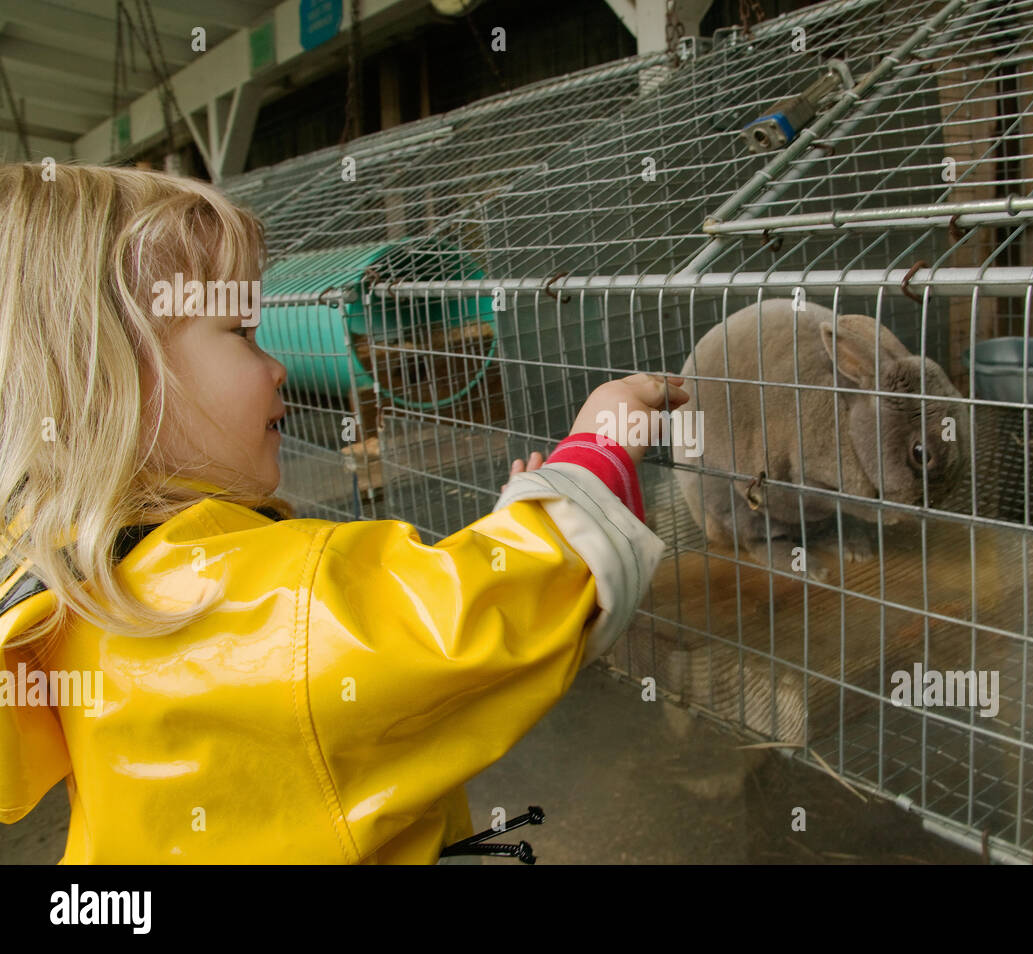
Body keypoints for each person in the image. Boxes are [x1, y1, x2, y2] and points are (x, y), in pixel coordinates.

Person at [0, 162, 687, 863]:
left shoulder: (61, 561)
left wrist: (519, 518)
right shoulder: (249, 603)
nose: (277, 368)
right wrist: (596, 452)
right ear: (113, 376)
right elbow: (474, 619)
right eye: (240, 333)